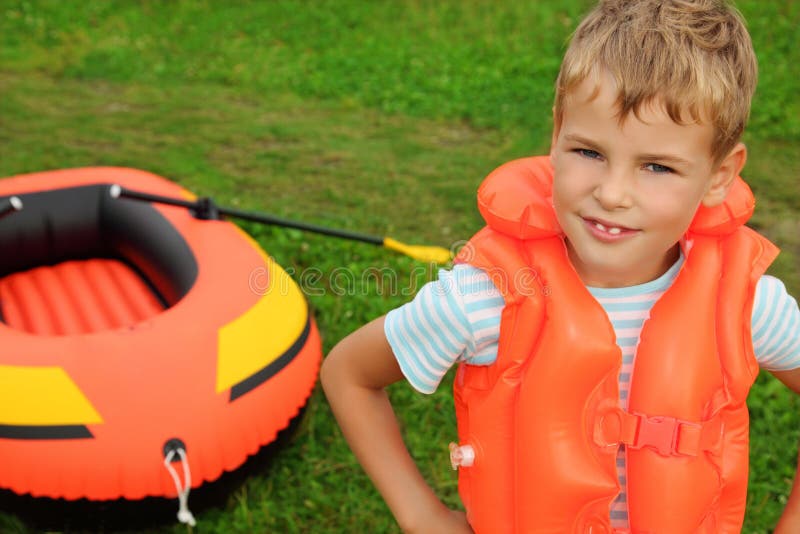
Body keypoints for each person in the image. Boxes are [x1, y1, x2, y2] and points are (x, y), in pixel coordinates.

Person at [321, 0, 800, 531]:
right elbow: (350, 373)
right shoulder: (487, 299)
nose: (612, 194)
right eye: (589, 152)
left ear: (719, 174)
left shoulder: (745, 303)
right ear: (556, 133)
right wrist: (419, 513)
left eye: (657, 166)